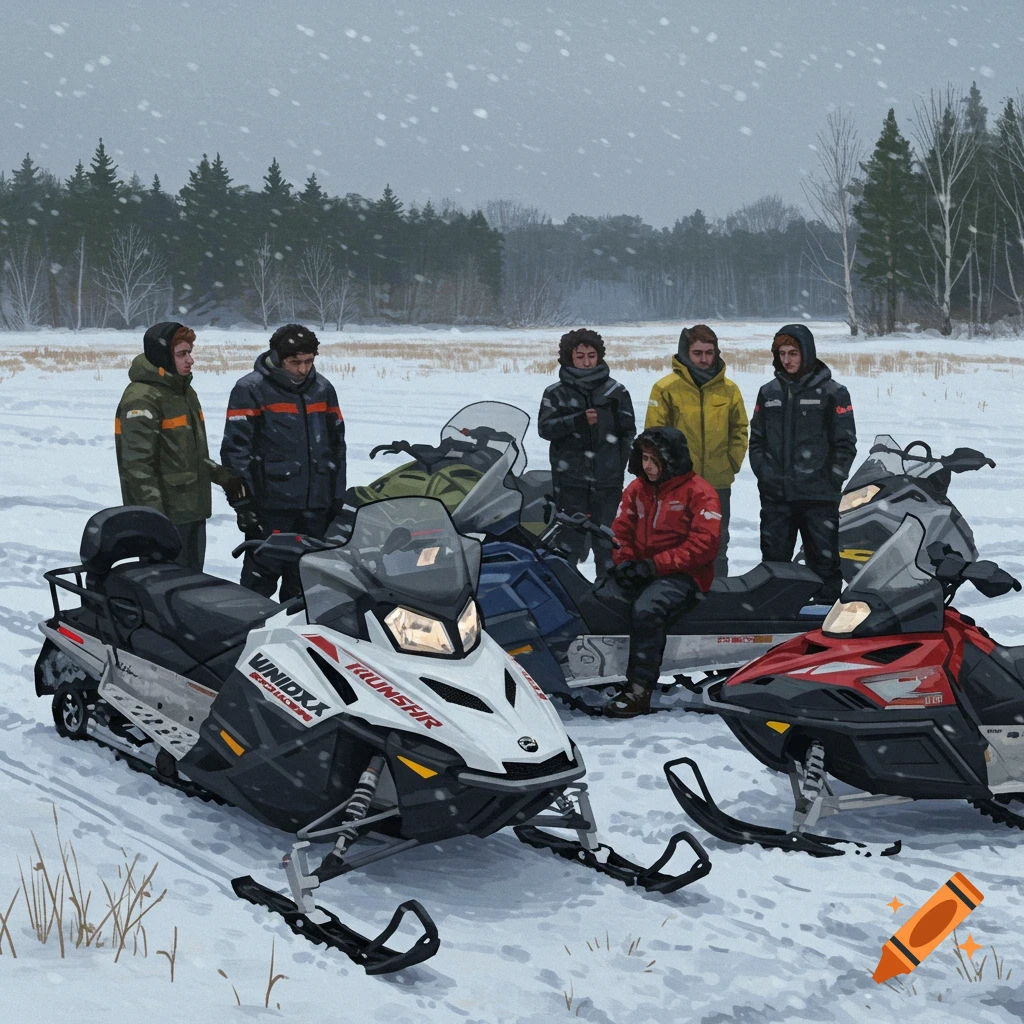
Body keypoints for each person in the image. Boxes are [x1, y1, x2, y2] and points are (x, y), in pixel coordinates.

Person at [595, 426, 721, 718]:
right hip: (643, 568)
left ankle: (639, 690)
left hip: (686, 575)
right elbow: (621, 530)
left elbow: (704, 545)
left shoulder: (700, 492)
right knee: (601, 598)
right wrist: (624, 561)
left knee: (647, 609)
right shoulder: (637, 489)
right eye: (644, 458)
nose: (648, 466)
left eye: (654, 459)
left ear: (670, 459)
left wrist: (655, 565)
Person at [221, 324, 347, 601]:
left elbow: (338, 447)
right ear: (278, 357)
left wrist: (336, 497)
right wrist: (243, 504)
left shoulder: (323, 389)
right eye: (295, 362)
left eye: (309, 361)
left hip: (316, 508)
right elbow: (235, 452)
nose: (303, 369)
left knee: (305, 588)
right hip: (270, 508)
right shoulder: (250, 389)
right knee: (258, 586)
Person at [115, 321, 240, 572]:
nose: (191, 360)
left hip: (192, 512)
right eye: (182, 353)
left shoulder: (183, 392)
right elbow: (137, 469)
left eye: (190, 352)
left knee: (189, 588)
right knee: (164, 590)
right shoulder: (142, 397)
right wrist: (156, 521)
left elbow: (189, 455)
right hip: (166, 518)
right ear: (163, 355)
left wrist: (223, 476)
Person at [748, 324, 856, 604]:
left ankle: (824, 622)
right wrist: (765, 473)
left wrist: (831, 478)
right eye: (782, 353)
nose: (787, 360)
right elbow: (756, 439)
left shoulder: (833, 392)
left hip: (818, 499)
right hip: (777, 498)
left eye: (793, 353)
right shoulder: (768, 393)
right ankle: (775, 624)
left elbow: (845, 444)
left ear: (806, 353)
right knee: (775, 568)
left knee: (824, 567)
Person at [645, 324, 748, 576]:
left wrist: (730, 462)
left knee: (716, 542)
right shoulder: (665, 388)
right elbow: (654, 436)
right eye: (698, 353)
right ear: (685, 353)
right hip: (678, 485)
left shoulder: (729, 390)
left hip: (717, 483)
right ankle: (677, 597)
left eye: (709, 352)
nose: (704, 359)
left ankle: (717, 596)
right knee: (676, 543)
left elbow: (740, 430)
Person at [537, 328, 635, 578]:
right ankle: (571, 599)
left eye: (591, 355)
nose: (586, 361)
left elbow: (627, 433)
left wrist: (616, 465)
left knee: (608, 546)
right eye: (580, 356)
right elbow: (545, 429)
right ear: (569, 358)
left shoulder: (616, 392)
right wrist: (575, 421)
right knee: (569, 547)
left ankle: (609, 599)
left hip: (607, 483)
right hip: (570, 482)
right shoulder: (555, 392)